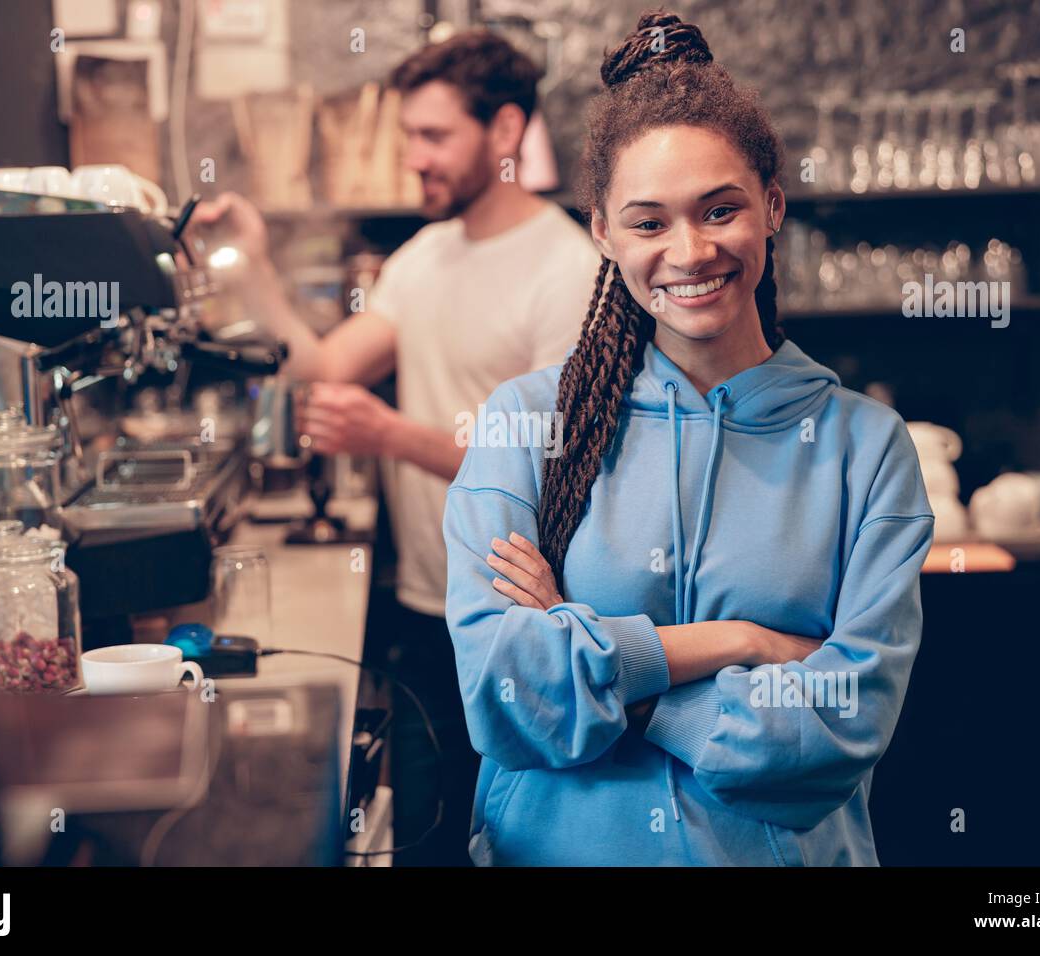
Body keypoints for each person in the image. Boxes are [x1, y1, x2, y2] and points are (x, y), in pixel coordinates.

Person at [442, 10, 935, 866]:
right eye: (648, 223)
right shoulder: (528, 423)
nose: (690, 250)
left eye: (720, 210)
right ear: (602, 231)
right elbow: (503, 692)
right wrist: (738, 644)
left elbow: (836, 739)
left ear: (771, 207)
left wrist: (600, 658)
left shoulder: (869, 447)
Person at [191, 30, 599, 865]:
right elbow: (325, 365)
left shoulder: (566, 269)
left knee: (515, 838)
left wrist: (390, 436)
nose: (414, 158)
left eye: (434, 136)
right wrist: (255, 265)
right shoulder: (425, 258)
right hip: (424, 603)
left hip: (523, 616)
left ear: (507, 131)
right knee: (427, 834)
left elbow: (555, 462)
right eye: (410, 135)